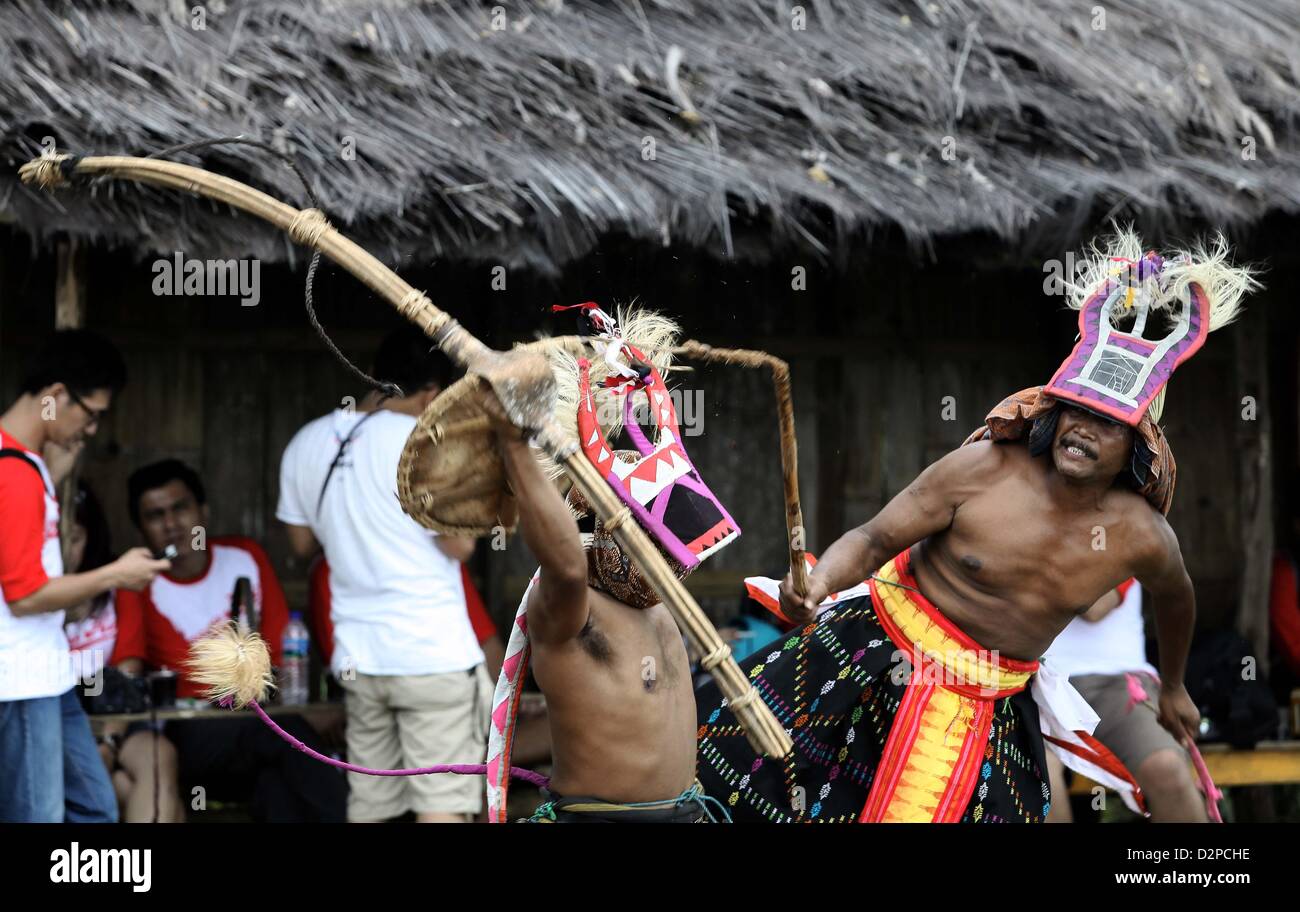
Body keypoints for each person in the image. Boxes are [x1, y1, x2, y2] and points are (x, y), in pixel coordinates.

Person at [695, 231, 1256, 822]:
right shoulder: (981, 470)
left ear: (1139, 444)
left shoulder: (1142, 534)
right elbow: (873, 539)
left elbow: (1177, 599)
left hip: (995, 703)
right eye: (1077, 410)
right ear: (1053, 409)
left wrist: (1173, 687)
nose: (1084, 429)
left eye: (1108, 422)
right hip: (880, 657)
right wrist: (818, 583)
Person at [485, 305, 739, 823]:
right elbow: (564, 566)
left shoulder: (663, 607)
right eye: (641, 527)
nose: (663, 548)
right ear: (589, 526)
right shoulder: (565, 605)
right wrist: (515, 442)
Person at [277, 327, 487, 823]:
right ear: (433, 393)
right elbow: (460, 545)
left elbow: (303, 545)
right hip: (431, 656)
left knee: (373, 807)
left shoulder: (309, 441)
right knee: (441, 806)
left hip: (361, 661)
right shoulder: (430, 445)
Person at [116, 458, 347, 822]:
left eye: (180, 508)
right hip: (189, 731)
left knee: (276, 787)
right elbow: (126, 672)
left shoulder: (244, 556)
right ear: (140, 530)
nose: (172, 524)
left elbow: (283, 655)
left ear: (203, 511)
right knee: (283, 736)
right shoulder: (137, 582)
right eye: (155, 515)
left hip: (262, 723)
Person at [0, 329, 169, 823]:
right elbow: (26, 595)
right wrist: (115, 574)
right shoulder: (13, 472)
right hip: (20, 681)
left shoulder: (26, 467)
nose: (92, 429)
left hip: (48, 676)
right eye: (90, 414)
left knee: (95, 807)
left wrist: (50, 475)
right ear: (55, 397)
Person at [63, 482, 183, 823]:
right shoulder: (31, 594)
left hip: (116, 718)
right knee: (128, 789)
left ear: (93, 536)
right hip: (59, 721)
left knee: (160, 755)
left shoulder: (118, 585)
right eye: (54, 540)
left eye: (74, 539)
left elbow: (126, 672)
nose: (64, 552)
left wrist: (109, 742)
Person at [1043, 579, 1210, 822]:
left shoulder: (1114, 540)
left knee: (1167, 768)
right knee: (1038, 775)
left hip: (1118, 686)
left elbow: (1093, 607)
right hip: (1037, 683)